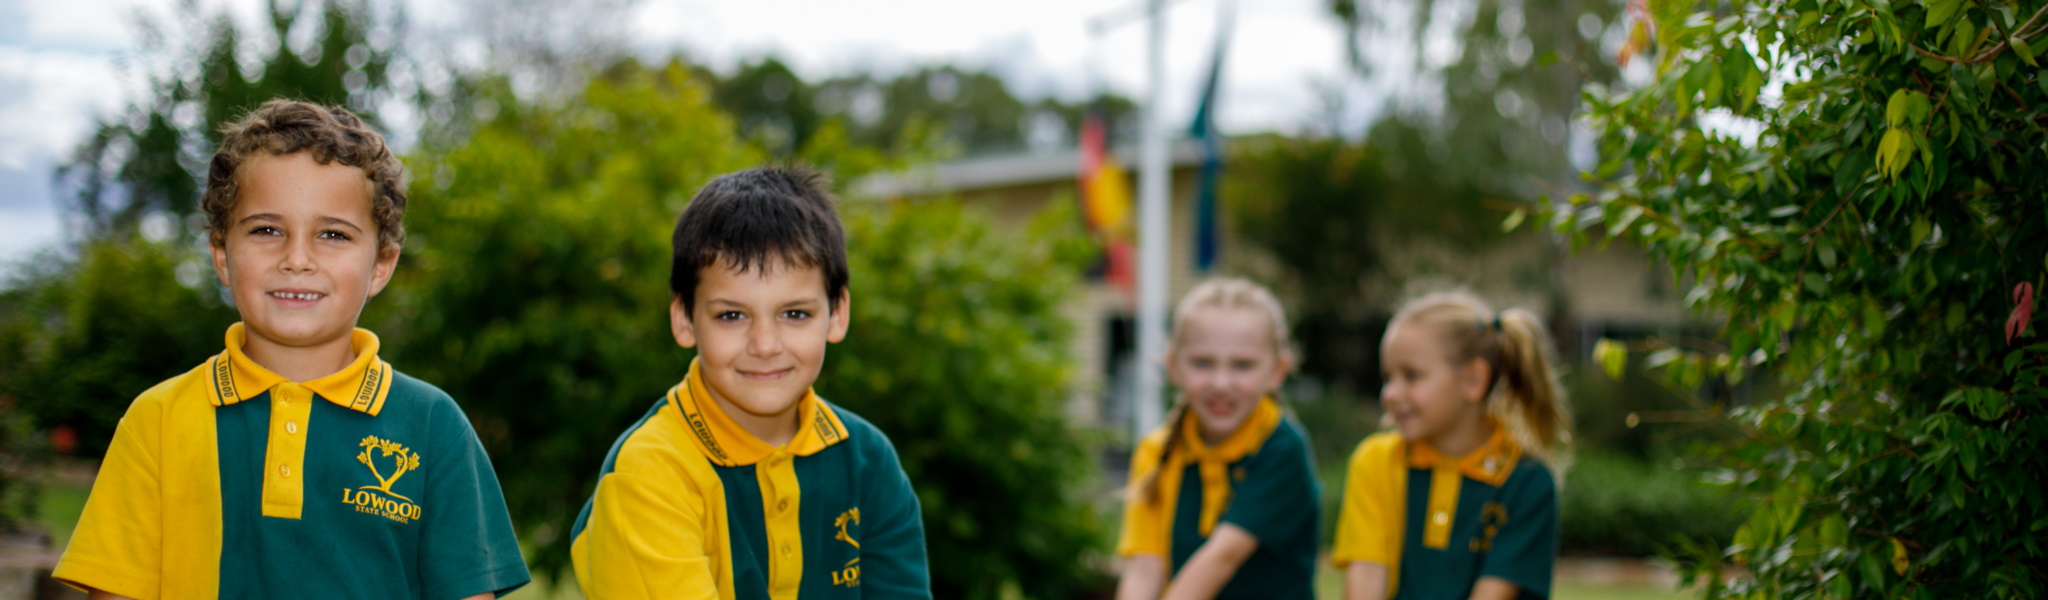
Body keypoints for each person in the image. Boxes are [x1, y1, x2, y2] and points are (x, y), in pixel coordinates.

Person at [53, 99, 531, 599]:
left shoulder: (433, 426)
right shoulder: (156, 421)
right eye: (266, 230)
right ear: (221, 254)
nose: (297, 258)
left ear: (382, 265)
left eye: (332, 234)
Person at [569, 166, 930, 599]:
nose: (764, 344)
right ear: (684, 319)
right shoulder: (649, 475)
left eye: (794, 313)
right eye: (731, 315)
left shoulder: (869, 460)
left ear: (838, 313)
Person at [1333, 292, 1571, 600]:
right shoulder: (1375, 462)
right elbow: (1365, 579)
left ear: (1473, 380)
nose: (1391, 393)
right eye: (1387, 377)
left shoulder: (1526, 483)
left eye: (1411, 376)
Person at [1115, 278, 1320, 600]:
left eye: (1242, 365)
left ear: (1277, 371)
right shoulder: (1156, 451)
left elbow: (1219, 560)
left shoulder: (1282, 449)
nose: (1221, 383)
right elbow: (1144, 570)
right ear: (1173, 367)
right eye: (1202, 363)